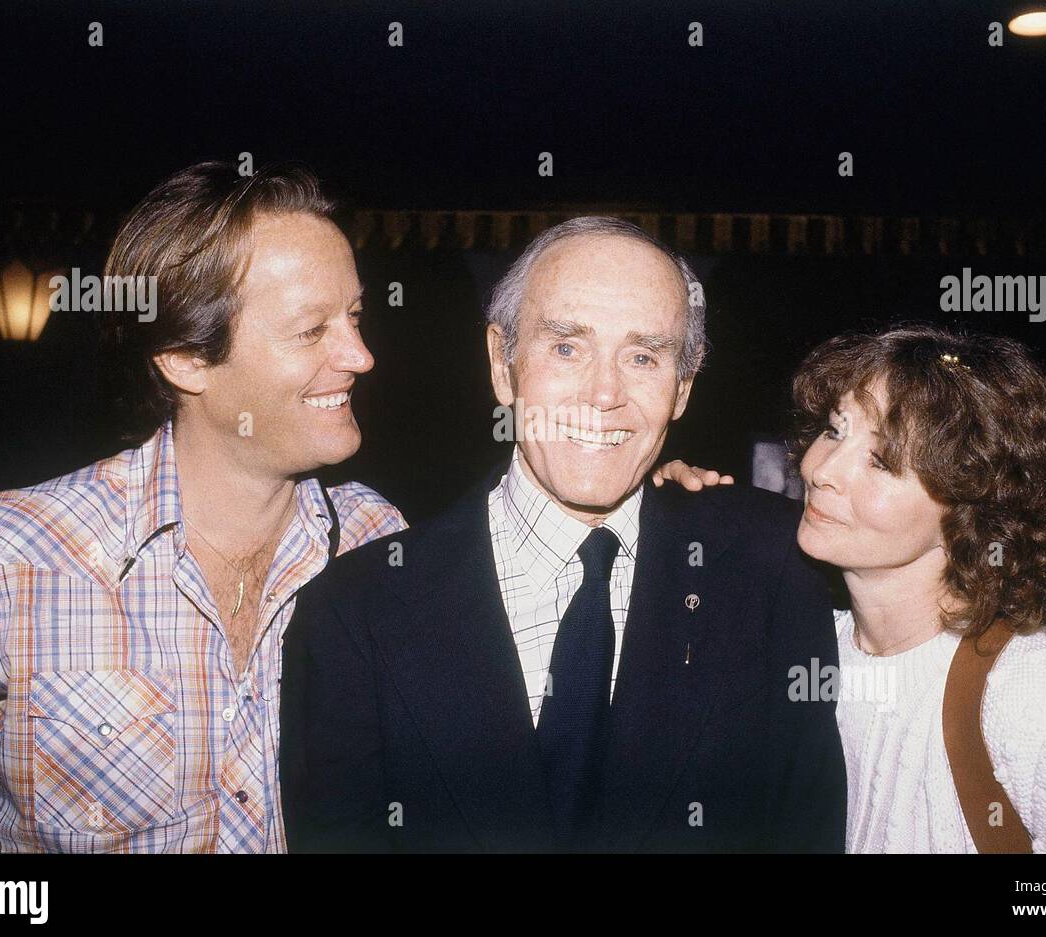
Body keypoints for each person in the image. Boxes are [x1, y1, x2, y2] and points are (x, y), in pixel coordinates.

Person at [281, 216, 846, 853]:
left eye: (643, 356)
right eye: (567, 347)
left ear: (682, 389)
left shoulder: (773, 571)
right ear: (503, 365)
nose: (605, 394)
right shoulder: (355, 610)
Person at [0, 161, 405, 852]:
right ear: (184, 358)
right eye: (312, 330)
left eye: (354, 316)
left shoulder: (377, 541)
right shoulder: (8, 554)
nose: (361, 355)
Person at [789, 324, 1046, 853]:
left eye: (882, 460)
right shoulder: (804, 647)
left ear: (970, 509)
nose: (823, 470)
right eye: (835, 430)